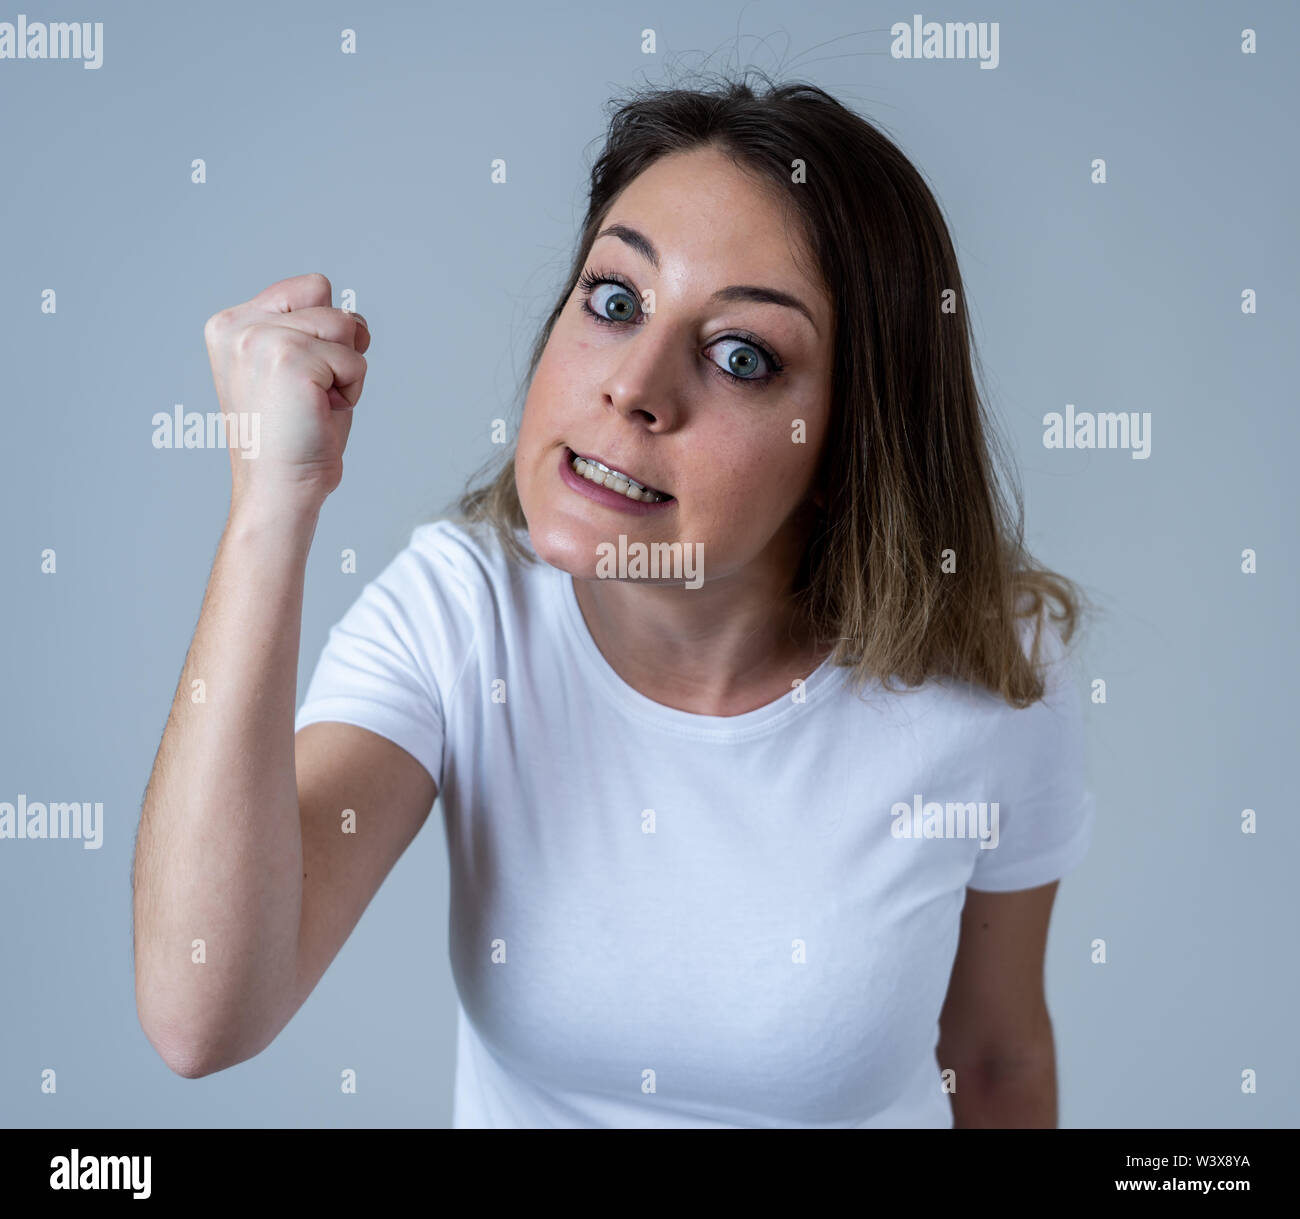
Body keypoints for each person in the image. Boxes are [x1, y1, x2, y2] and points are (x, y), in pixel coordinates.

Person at [133, 70, 1096, 1128]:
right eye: (614, 299)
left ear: (842, 444)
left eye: (741, 356)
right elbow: (202, 1012)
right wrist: (273, 501)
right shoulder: (460, 616)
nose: (633, 384)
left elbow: (997, 1062)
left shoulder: (986, 668)